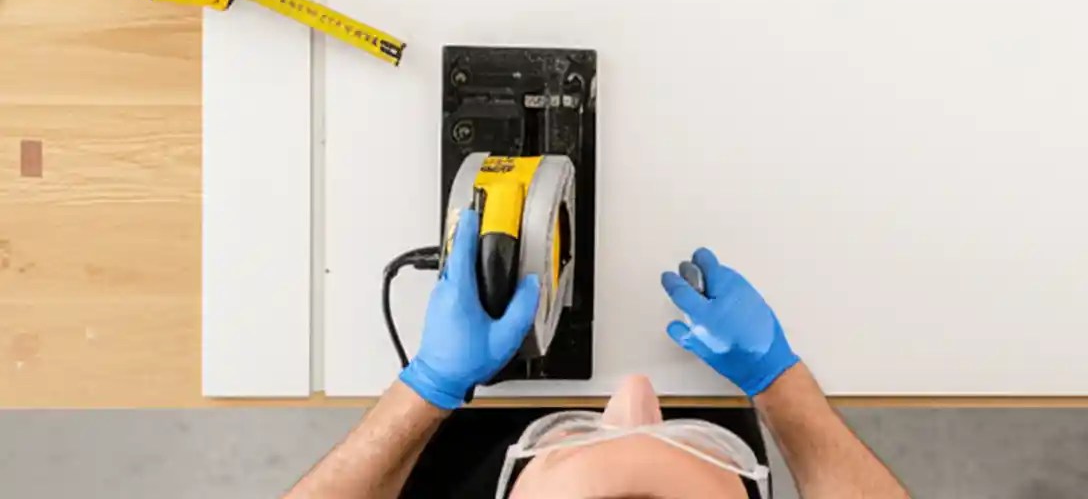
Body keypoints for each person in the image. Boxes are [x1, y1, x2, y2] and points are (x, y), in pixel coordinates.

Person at [287, 210, 908, 498]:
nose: (633, 392)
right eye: (684, 437)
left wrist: (426, 389)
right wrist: (777, 380)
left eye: (580, 434)